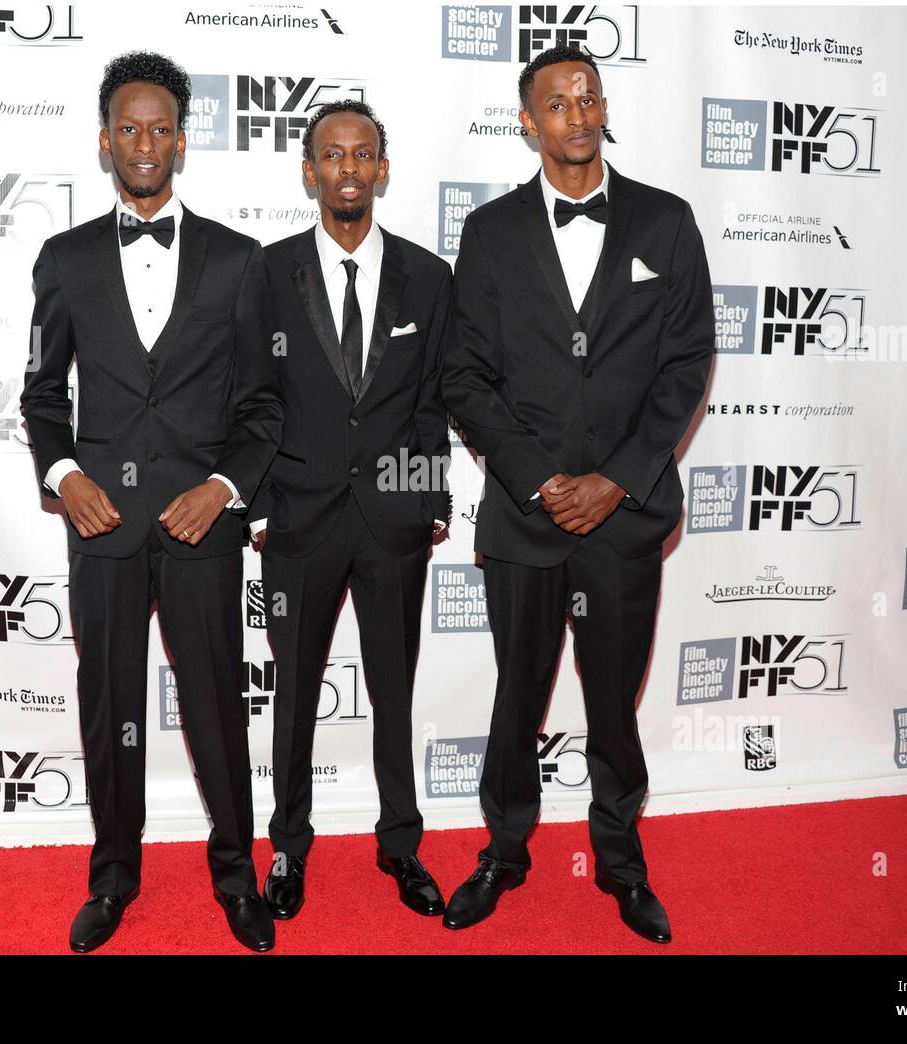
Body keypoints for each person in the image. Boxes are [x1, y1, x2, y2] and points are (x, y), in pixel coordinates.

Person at [439, 44, 714, 943]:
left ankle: (623, 862)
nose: (578, 112)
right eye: (557, 102)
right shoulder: (488, 234)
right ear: (528, 123)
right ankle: (505, 852)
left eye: (589, 96)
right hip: (525, 518)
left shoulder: (666, 223)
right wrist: (539, 480)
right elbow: (466, 379)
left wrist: (617, 481)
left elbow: (684, 366)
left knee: (611, 700)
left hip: (624, 520)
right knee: (517, 699)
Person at [19, 51, 283, 953]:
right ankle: (114, 874)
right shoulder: (64, 258)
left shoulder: (241, 261)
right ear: (105, 142)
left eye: (160, 127)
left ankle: (237, 873)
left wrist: (224, 488)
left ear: (182, 138)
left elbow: (263, 409)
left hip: (202, 525)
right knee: (109, 705)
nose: (144, 143)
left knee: (216, 705)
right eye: (127, 128)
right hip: (103, 527)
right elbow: (42, 396)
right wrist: (65, 478)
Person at [249, 100, 452, 922]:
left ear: (382, 169)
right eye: (331, 154)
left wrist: (430, 496)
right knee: (294, 692)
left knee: (394, 690)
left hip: (395, 519)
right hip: (297, 520)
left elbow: (432, 399)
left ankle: (400, 844)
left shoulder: (428, 277)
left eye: (362, 154)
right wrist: (260, 504)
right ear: (309, 171)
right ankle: (289, 849)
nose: (347, 168)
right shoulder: (265, 274)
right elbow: (252, 397)